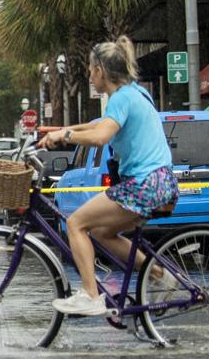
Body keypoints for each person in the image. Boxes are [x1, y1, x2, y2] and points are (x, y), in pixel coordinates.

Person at [39, 37, 178, 316]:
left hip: (143, 184)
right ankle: (160, 276)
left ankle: (91, 296)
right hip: (159, 182)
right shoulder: (135, 93)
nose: (90, 75)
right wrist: (61, 129)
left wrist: (65, 135)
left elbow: (101, 136)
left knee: (76, 223)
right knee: (102, 232)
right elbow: (98, 125)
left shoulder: (120, 99)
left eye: (91, 69)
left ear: (101, 70)